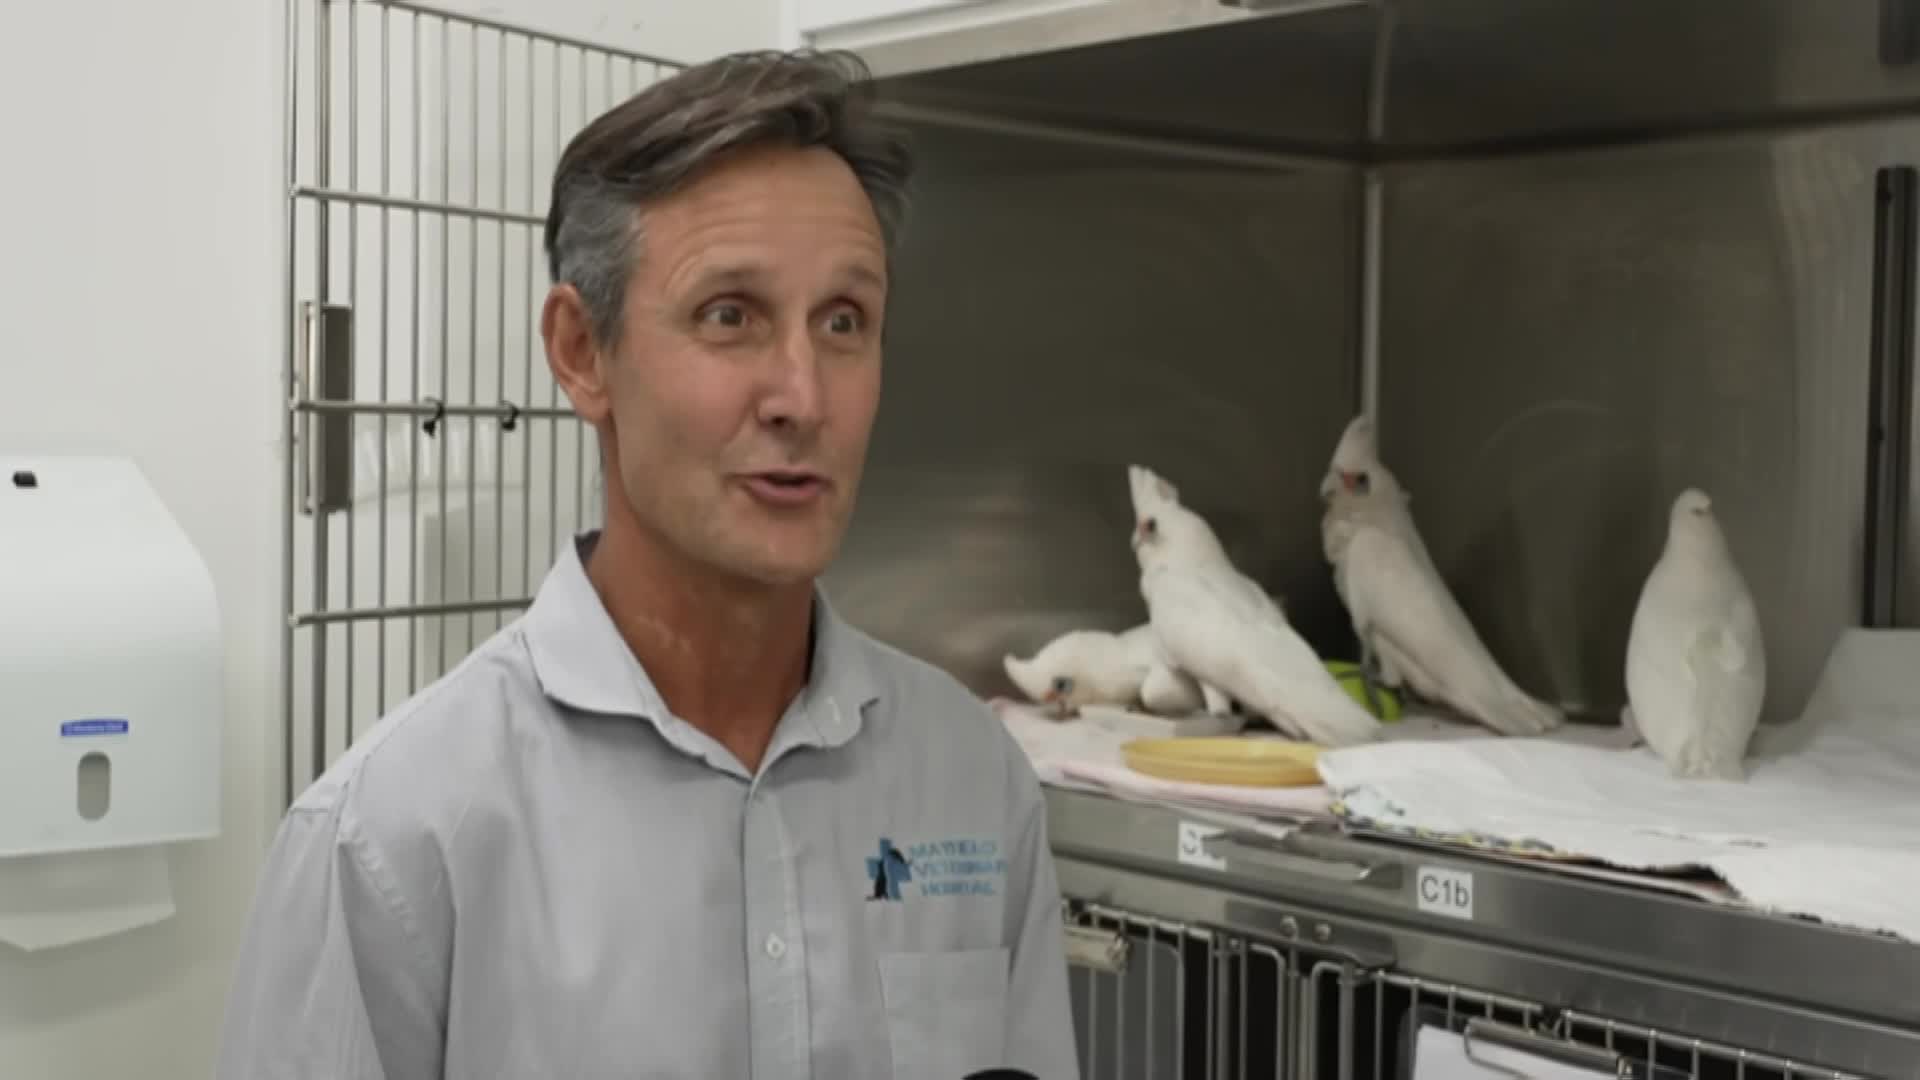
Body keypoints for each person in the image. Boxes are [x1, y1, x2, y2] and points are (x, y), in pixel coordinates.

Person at [215, 48, 1078, 1080]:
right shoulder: (393, 841)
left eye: (843, 322)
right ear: (582, 353)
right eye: (730, 316)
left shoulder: (971, 780)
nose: (803, 397)